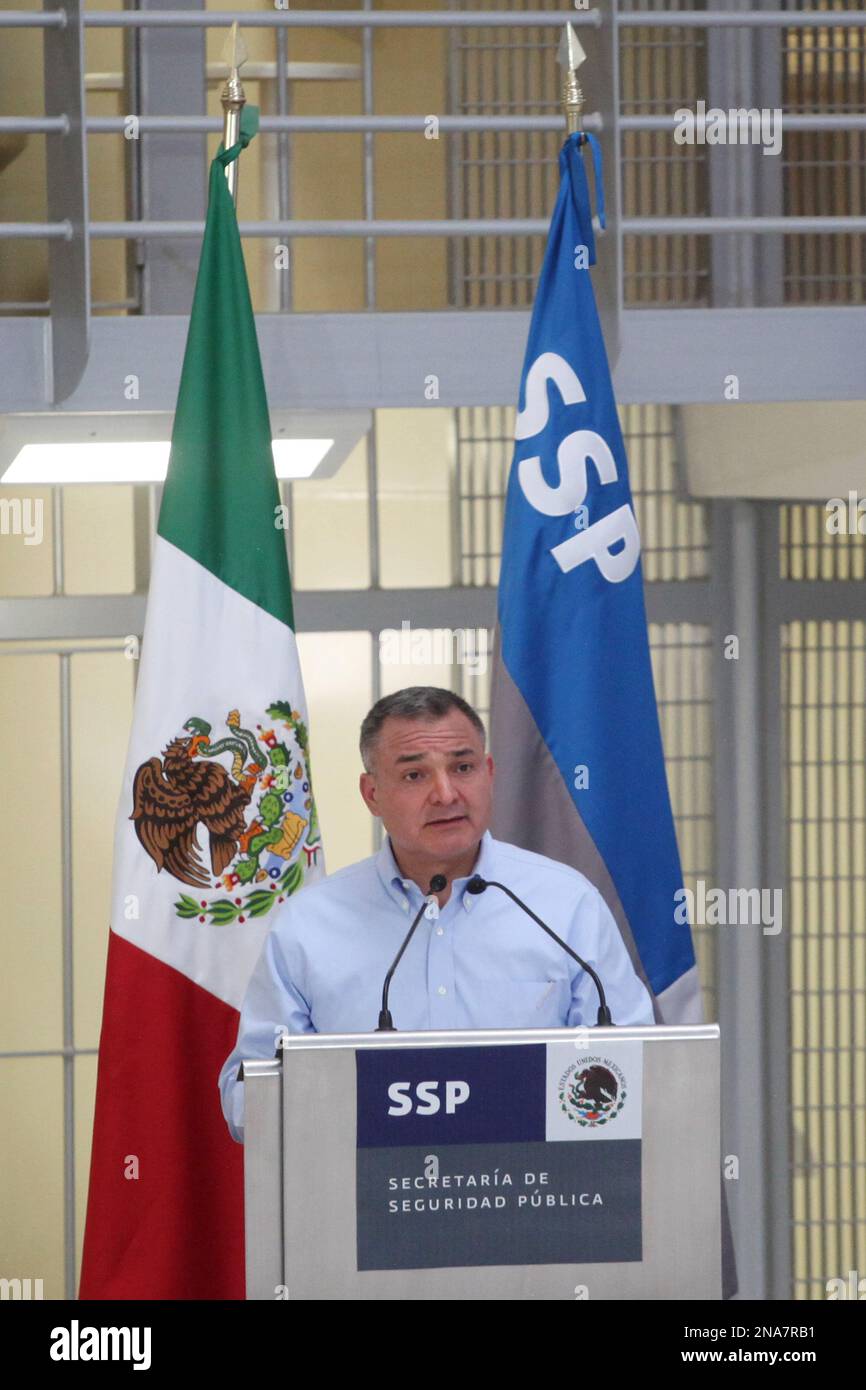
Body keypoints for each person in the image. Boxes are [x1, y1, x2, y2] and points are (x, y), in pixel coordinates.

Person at [218, 686, 654, 1142]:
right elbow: (247, 1103)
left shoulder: (565, 905)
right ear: (372, 794)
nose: (446, 794)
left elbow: (638, 1068)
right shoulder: (309, 925)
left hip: (532, 1193)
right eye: (414, 776)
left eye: (463, 768)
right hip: (369, 1200)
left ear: (488, 774)